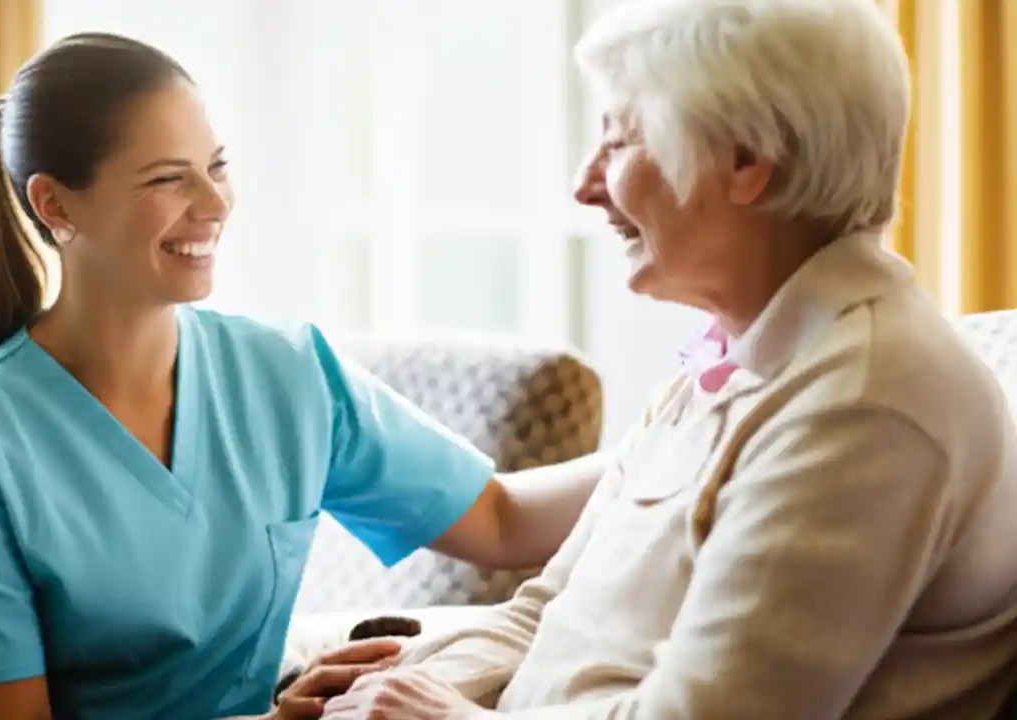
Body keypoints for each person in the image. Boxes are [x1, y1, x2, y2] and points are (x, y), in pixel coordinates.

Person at [322, 1, 1017, 718]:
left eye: (620, 143)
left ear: (749, 159)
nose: (585, 184)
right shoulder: (733, 363)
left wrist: (444, 716)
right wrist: (391, 680)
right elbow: (545, 613)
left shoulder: (865, 406)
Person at [0, 32, 602, 720]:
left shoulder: (285, 373)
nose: (216, 204)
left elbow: (503, 520)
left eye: (217, 167)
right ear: (55, 205)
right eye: (168, 179)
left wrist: (695, 434)